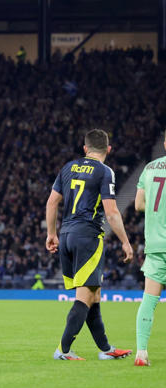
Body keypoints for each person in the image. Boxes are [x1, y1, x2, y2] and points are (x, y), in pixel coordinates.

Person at [46, 129, 133, 361]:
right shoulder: (105, 172)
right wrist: (125, 242)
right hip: (88, 237)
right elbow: (112, 212)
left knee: (94, 295)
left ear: (85, 149)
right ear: (109, 149)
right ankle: (62, 351)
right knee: (84, 297)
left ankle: (105, 349)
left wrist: (51, 234)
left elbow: (52, 201)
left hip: (65, 236)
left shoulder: (68, 167)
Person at [133, 130, 166, 366]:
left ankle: (141, 353)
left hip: (155, 244)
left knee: (149, 299)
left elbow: (138, 204)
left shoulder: (149, 168)